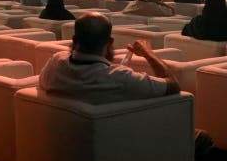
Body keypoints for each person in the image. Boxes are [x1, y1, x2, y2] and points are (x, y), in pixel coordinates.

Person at [38, 13, 179, 104]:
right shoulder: (121, 78)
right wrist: (149, 54)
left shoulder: (55, 63)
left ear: (74, 40)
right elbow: (173, 85)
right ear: (110, 42)